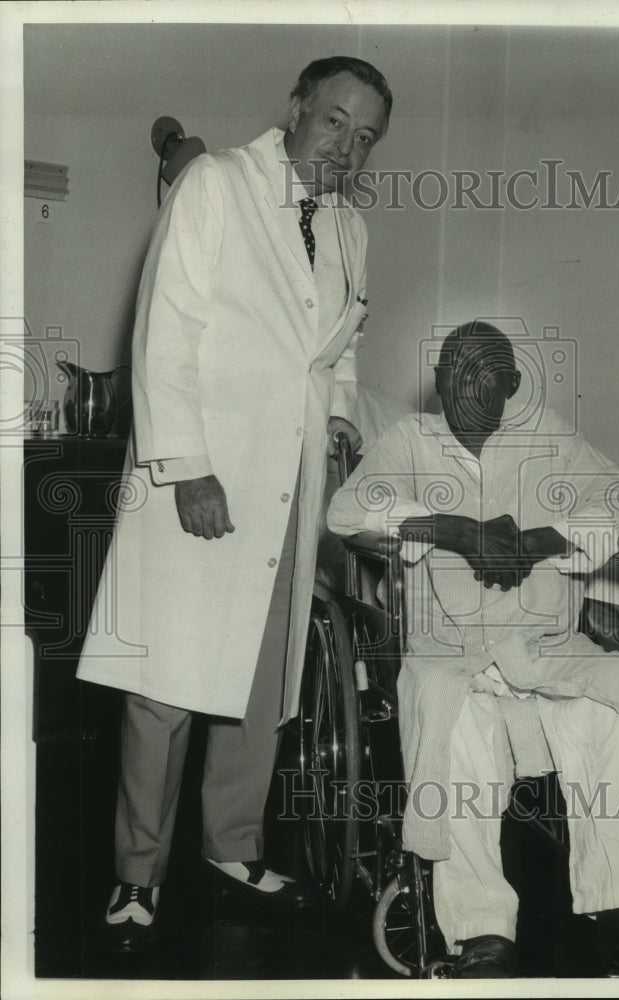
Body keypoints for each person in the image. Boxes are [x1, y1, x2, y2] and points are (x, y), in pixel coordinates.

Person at [76, 56, 392, 950]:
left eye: (364, 136)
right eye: (334, 121)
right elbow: (162, 328)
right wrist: (190, 466)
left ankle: (232, 849)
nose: (346, 147)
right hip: (203, 479)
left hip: (288, 486)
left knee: (261, 684)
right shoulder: (215, 185)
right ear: (294, 110)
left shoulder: (350, 228)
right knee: (165, 689)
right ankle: (135, 875)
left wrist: (335, 421)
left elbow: (337, 348)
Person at [327, 320, 619, 978]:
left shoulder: (548, 440)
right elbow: (346, 511)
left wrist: (537, 541)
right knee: (456, 721)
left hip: (546, 645)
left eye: (478, 370)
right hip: (448, 653)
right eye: (448, 365)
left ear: (511, 385)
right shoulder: (410, 441)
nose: (457, 380)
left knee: (612, 699)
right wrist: (448, 528)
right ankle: (481, 934)